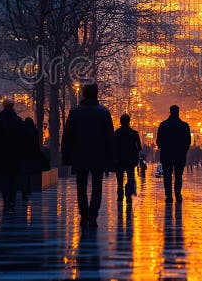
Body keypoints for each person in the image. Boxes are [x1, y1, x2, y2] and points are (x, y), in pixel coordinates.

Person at [61, 83, 115, 228]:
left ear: (84, 94)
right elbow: (110, 137)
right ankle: (93, 215)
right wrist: (111, 159)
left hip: (80, 154)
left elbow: (67, 136)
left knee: (81, 184)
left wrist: (66, 156)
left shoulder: (75, 112)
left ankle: (84, 214)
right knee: (97, 184)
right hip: (99, 155)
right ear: (97, 94)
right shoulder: (104, 112)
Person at [0, 98, 25, 211]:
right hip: (14, 154)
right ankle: (11, 199)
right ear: (12, 106)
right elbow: (22, 138)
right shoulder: (17, 120)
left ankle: (6, 198)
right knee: (13, 178)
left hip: (1, 154)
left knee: (4, 177)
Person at [156, 105, 191, 202]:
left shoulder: (163, 125)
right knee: (178, 175)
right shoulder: (184, 126)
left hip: (166, 155)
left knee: (167, 175)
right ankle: (178, 193)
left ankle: (168, 195)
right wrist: (184, 151)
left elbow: (158, 141)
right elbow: (188, 141)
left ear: (170, 112)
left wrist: (163, 149)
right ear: (178, 112)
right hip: (179, 155)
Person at [113, 113, 142, 204]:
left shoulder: (116, 133)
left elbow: (113, 147)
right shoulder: (134, 133)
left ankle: (120, 194)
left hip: (119, 160)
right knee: (130, 177)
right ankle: (128, 194)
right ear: (129, 122)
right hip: (130, 160)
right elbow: (139, 147)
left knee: (120, 178)